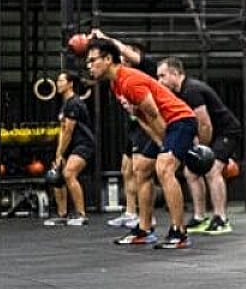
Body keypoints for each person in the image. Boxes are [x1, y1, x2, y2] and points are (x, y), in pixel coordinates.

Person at [85, 38, 197, 250]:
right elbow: (142, 118)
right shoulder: (116, 85)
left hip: (179, 120)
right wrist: (160, 143)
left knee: (164, 168)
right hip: (162, 124)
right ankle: (144, 230)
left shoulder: (129, 81)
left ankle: (179, 232)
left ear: (108, 59)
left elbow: (155, 116)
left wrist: (167, 146)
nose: (89, 66)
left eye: (93, 60)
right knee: (141, 168)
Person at [157, 57, 242, 236]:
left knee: (212, 170)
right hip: (210, 133)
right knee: (191, 172)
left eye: (163, 76)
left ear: (175, 73)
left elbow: (205, 124)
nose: (160, 81)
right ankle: (200, 217)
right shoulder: (178, 93)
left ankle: (221, 218)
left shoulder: (191, 90)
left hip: (226, 132)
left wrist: (203, 151)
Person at [91, 30, 156, 229]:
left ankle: (147, 218)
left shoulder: (147, 66)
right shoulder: (119, 75)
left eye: (131, 52)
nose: (126, 56)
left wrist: (105, 38)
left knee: (141, 172)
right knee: (126, 169)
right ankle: (130, 212)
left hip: (148, 126)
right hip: (133, 126)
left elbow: (127, 53)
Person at [43, 71, 96, 227]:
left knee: (69, 173)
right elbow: (62, 129)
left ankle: (81, 214)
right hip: (70, 146)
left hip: (83, 144)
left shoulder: (74, 103)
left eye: (61, 81)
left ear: (70, 84)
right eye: (57, 81)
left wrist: (60, 153)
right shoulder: (65, 104)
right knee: (57, 177)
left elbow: (69, 130)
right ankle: (63, 214)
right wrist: (59, 153)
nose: (58, 84)